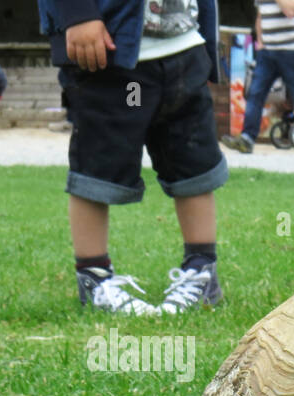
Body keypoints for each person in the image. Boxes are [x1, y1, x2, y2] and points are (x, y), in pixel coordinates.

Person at [38, 0, 229, 315]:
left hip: (185, 45)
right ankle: (94, 276)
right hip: (106, 50)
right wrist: (77, 15)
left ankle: (201, 271)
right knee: (96, 167)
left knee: (195, 164)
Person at [222, 0, 294, 156]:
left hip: (289, 51)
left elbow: (292, 10)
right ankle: (247, 139)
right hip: (267, 52)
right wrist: (260, 42)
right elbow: (260, 16)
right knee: (255, 93)